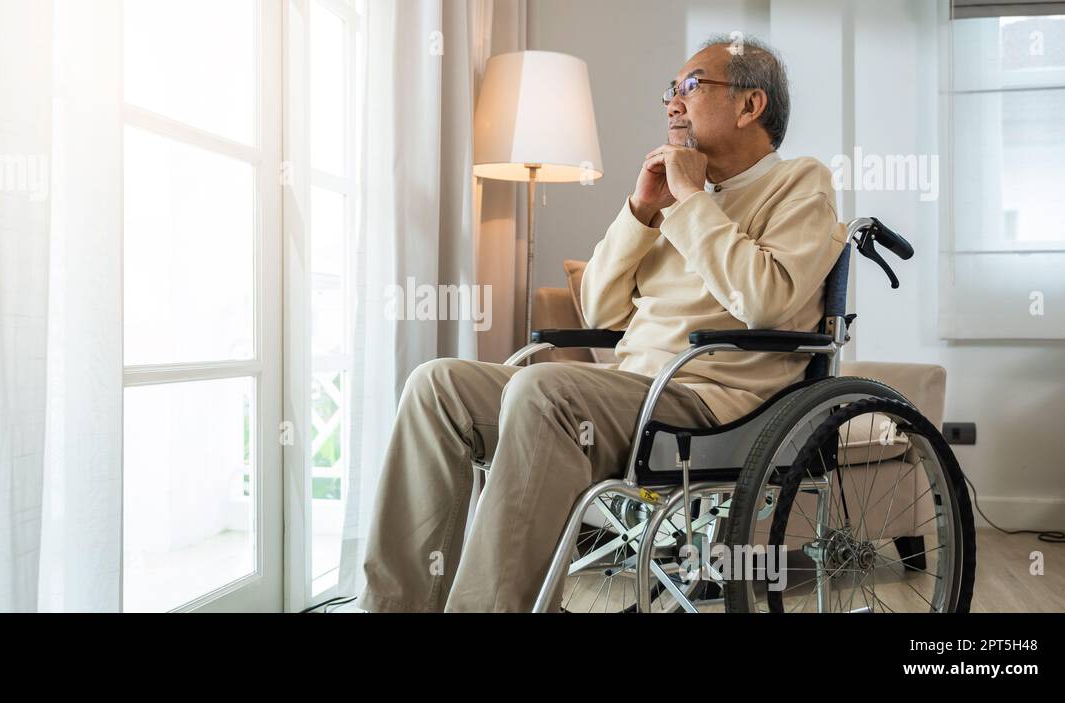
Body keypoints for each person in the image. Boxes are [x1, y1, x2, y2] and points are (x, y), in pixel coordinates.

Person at [359, 35, 846, 613]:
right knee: (436, 386)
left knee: (547, 389)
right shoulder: (672, 199)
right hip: (632, 394)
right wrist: (641, 211)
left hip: (715, 403)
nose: (672, 103)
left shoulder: (800, 183)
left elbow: (766, 300)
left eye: (691, 86)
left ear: (750, 105)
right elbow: (600, 311)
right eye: (671, 90)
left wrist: (690, 198)